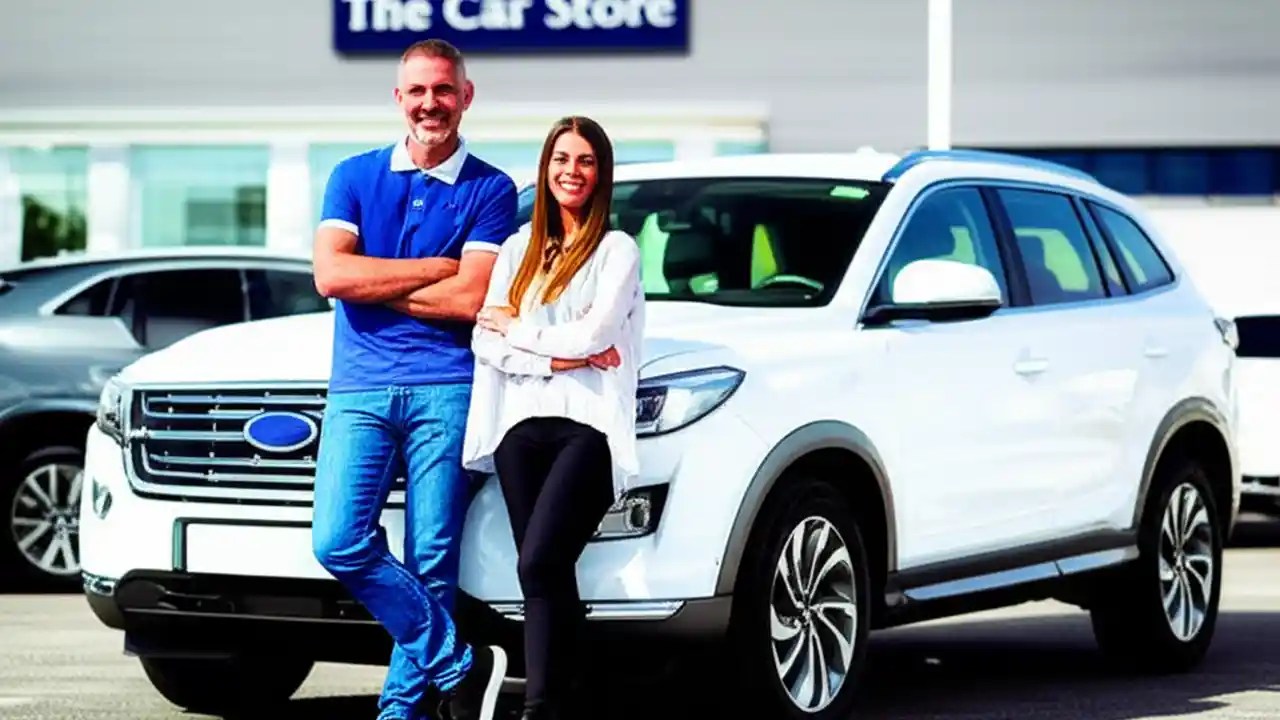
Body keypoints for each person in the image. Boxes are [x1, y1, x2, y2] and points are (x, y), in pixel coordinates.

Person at [309, 38, 513, 720]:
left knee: (432, 556)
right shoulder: (352, 175)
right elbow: (332, 276)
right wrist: (436, 266)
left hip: (447, 384)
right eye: (418, 91)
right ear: (399, 98)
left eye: (444, 90)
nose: (432, 103)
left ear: (466, 96)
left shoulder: (491, 188)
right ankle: (460, 662)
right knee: (337, 540)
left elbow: (469, 301)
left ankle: (401, 711)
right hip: (360, 386)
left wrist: (373, 280)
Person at [461, 116, 645, 720]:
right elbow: (483, 343)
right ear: (545, 169)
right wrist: (567, 356)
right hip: (519, 427)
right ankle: (570, 699)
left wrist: (521, 330)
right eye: (561, 159)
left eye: (586, 161)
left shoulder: (617, 250)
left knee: (539, 560)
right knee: (546, 572)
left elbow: (596, 331)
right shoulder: (517, 249)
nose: (572, 171)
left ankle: (539, 707)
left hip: (586, 426)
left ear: (601, 173)